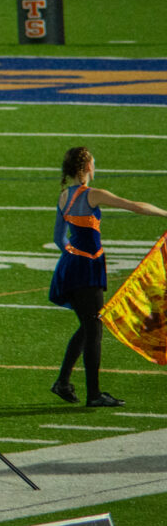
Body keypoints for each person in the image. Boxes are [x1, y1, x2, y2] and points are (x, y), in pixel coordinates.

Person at [48, 146, 167, 408]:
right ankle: (93, 395)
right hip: (87, 269)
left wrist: (73, 254)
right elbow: (134, 206)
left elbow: (59, 238)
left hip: (72, 267)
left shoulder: (63, 196)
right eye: (92, 162)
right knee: (94, 329)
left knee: (88, 324)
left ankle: (63, 382)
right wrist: (164, 213)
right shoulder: (93, 195)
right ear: (87, 167)